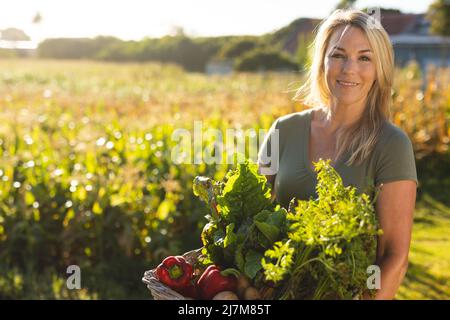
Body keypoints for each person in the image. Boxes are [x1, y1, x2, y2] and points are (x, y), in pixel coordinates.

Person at [257, 9, 418, 300]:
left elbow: (394, 256)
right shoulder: (283, 130)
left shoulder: (392, 145)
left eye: (364, 58)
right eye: (338, 55)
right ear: (322, 61)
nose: (349, 69)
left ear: (379, 68)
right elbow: (253, 220)